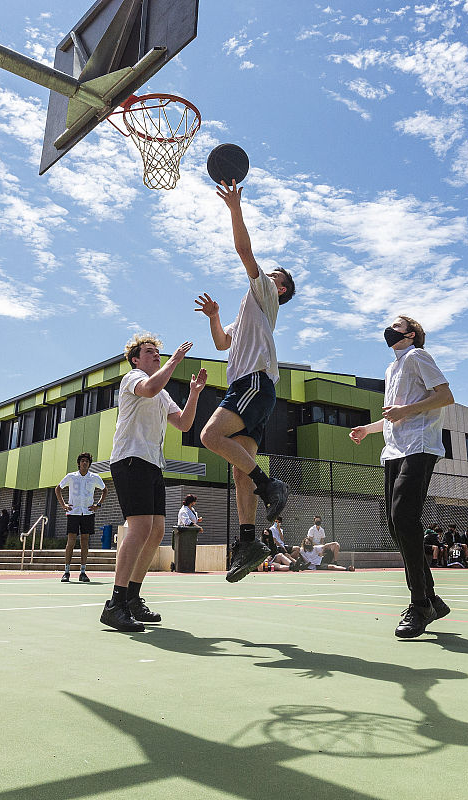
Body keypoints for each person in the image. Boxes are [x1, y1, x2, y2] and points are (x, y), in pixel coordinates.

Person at [195, 180, 295, 584]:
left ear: (280, 287)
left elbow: (243, 251)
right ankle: (250, 540)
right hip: (251, 387)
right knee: (239, 470)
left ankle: (271, 486)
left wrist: (235, 207)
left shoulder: (266, 293)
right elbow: (222, 343)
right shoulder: (249, 311)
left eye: (273, 275)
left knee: (208, 436)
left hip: (252, 385)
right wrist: (215, 317)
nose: (266, 274)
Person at [350, 315, 454, 638]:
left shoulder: (417, 356)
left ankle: (420, 602)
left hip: (419, 446)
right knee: (396, 524)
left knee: (403, 517)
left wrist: (405, 412)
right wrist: (369, 429)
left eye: (396, 326)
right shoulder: (391, 369)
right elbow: (393, 414)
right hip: (395, 450)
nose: (389, 329)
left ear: (410, 334)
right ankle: (431, 599)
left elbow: (445, 395)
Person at [100, 334, 207, 633]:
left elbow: (184, 423)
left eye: (159, 352)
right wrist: (174, 361)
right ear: (135, 359)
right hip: (129, 459)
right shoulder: (133, 378)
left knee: (156, 530)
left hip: (151, 463)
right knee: (140, 527)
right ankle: (114, 604)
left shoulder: (163, 392)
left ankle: (132, 599)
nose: (156, 355)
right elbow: (149, 388)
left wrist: (195, 393)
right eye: (149, 352)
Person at [56, 453, 108, 583]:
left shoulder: (94, 477)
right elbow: (58, 489)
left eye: (87, 461)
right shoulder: (71, 476)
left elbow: (105, 490)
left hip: (88, 513)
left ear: (89, 464)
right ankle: (66, 572)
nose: (84, 463)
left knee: (85, 541)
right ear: (79, 463)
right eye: (82, 461)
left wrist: (98, 504)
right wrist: (64, 505)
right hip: (73, 512)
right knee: (71, 541)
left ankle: (83, 572)